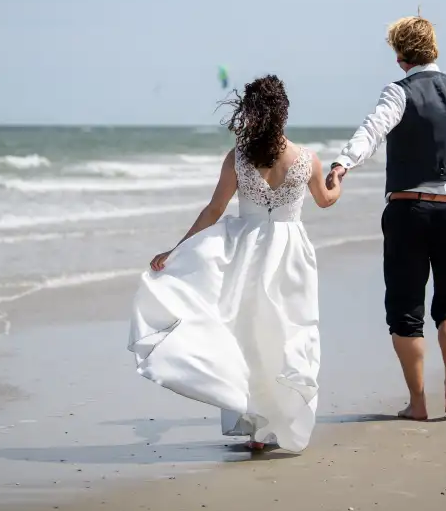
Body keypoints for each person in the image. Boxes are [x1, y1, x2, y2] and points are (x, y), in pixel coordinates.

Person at [127, 75, 341, 453]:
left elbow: (214, 210)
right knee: (289, 334)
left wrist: (175, 250)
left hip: (247, 252)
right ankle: (277, 424)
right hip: (291, 254)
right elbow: (325, 200)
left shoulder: (238, 157)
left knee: (249, 335)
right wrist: (337, 178)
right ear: (284, 112)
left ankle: (257, 429)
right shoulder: (308, 159)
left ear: (251, 113)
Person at [327, 15, 446, 421]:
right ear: (434, 48)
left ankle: (419, 401)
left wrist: (343, 163)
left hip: (410, 209)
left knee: (406, 309)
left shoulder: (399, 92)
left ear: (399, 54)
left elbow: (373, 130)